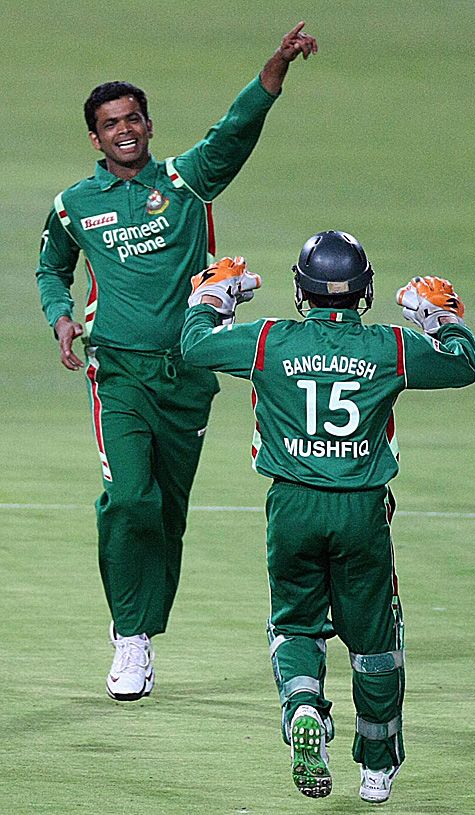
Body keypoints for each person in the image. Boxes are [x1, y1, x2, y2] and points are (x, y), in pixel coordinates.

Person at [35, 22, 318, 702]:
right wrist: (61, 316)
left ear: (149, 125)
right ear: (95, 138)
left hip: (188, 373)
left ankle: (142, 627)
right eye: (111, 124)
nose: (124, 130)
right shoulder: (74, 205)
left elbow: (234, 131)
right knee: (130, 498)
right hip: (119, 373)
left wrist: (276, 66)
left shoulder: (186, 182)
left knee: (166, 513)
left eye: (133, 118)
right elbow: (51, 267)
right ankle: (129, 636)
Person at [180, 233, 475, 802]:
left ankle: (302, 709)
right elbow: (464, 365)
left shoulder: (269, 340)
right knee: (375, 642)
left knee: (296, 625)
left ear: (302, 290)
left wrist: (213, 298)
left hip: (291, 506)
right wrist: (440, 316)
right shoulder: (389, 346)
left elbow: (195, 347)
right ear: (364, 291)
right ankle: (376, 769)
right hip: (361, 510)